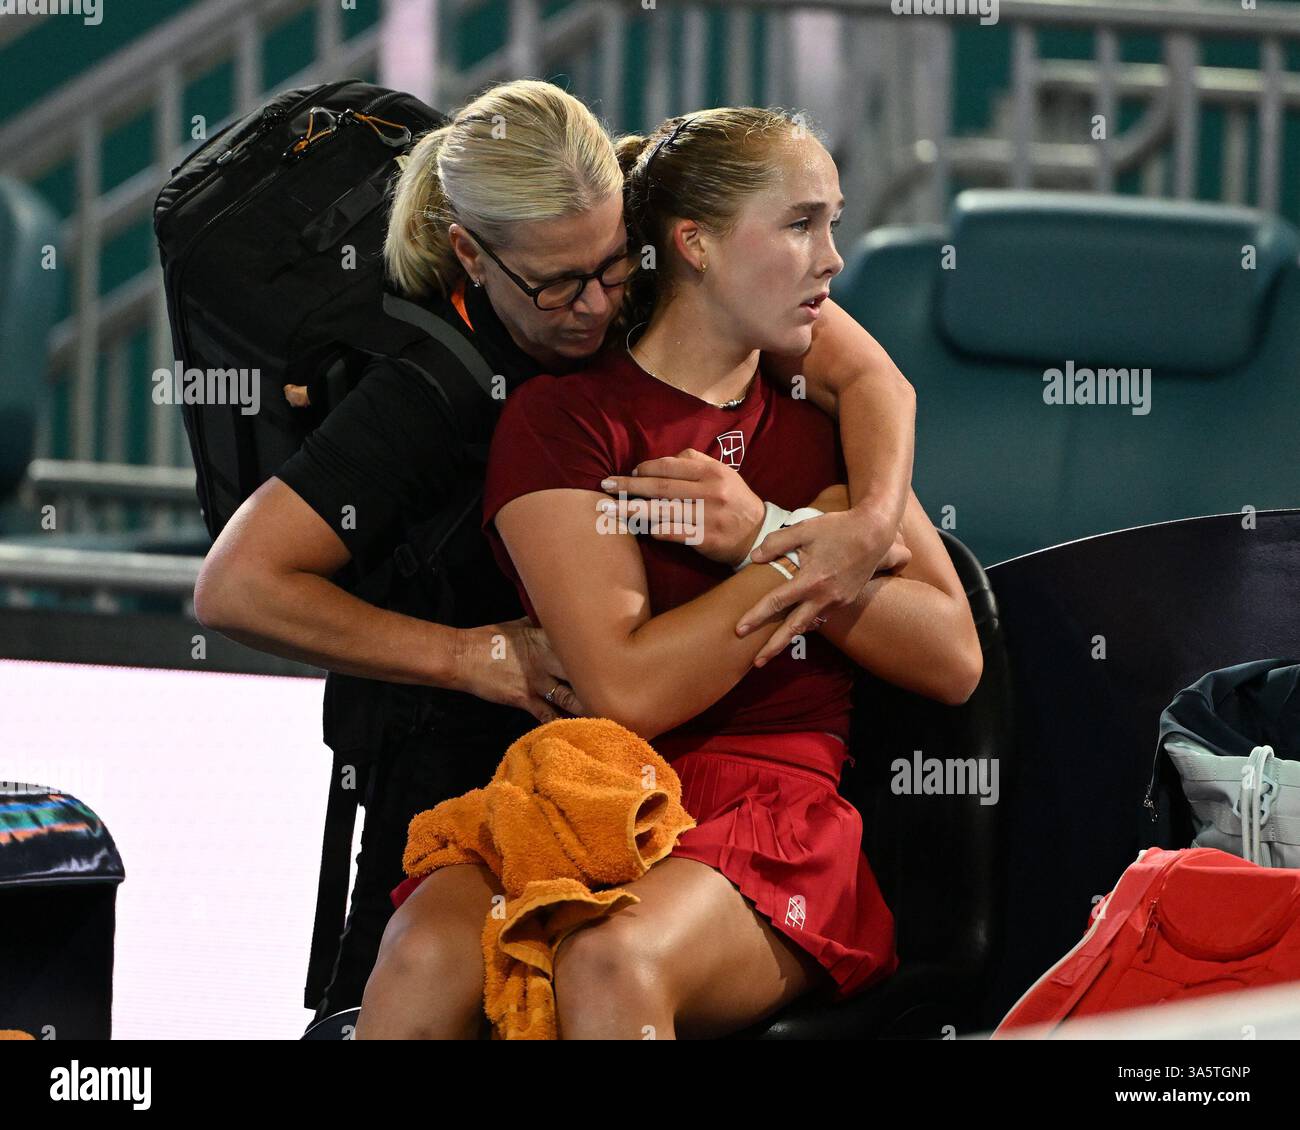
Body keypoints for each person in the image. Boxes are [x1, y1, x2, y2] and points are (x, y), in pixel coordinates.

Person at [192, 79, 919, 1025]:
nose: (594, 308)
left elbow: (874, 378)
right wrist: (472, 656)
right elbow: (235, 586)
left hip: (644, 763)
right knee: (411, 981)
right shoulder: (431, 391)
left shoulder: (665, 281)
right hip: (463, 749)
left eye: (614, 268)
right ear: (472, 256)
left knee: (609, 966)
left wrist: (855, 529)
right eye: (555, 285)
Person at [354, 106, 982, 1040]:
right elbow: (628, 689)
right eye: (803, 223)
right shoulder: (561, 420)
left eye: (834, 223)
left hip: (780, 814)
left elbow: (955, 657)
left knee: (609, 961)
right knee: (422, 952)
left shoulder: (821, 405)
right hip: (587, 793)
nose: (833, 258)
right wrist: (801, 545)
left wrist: (763, 528)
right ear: (695, 244)